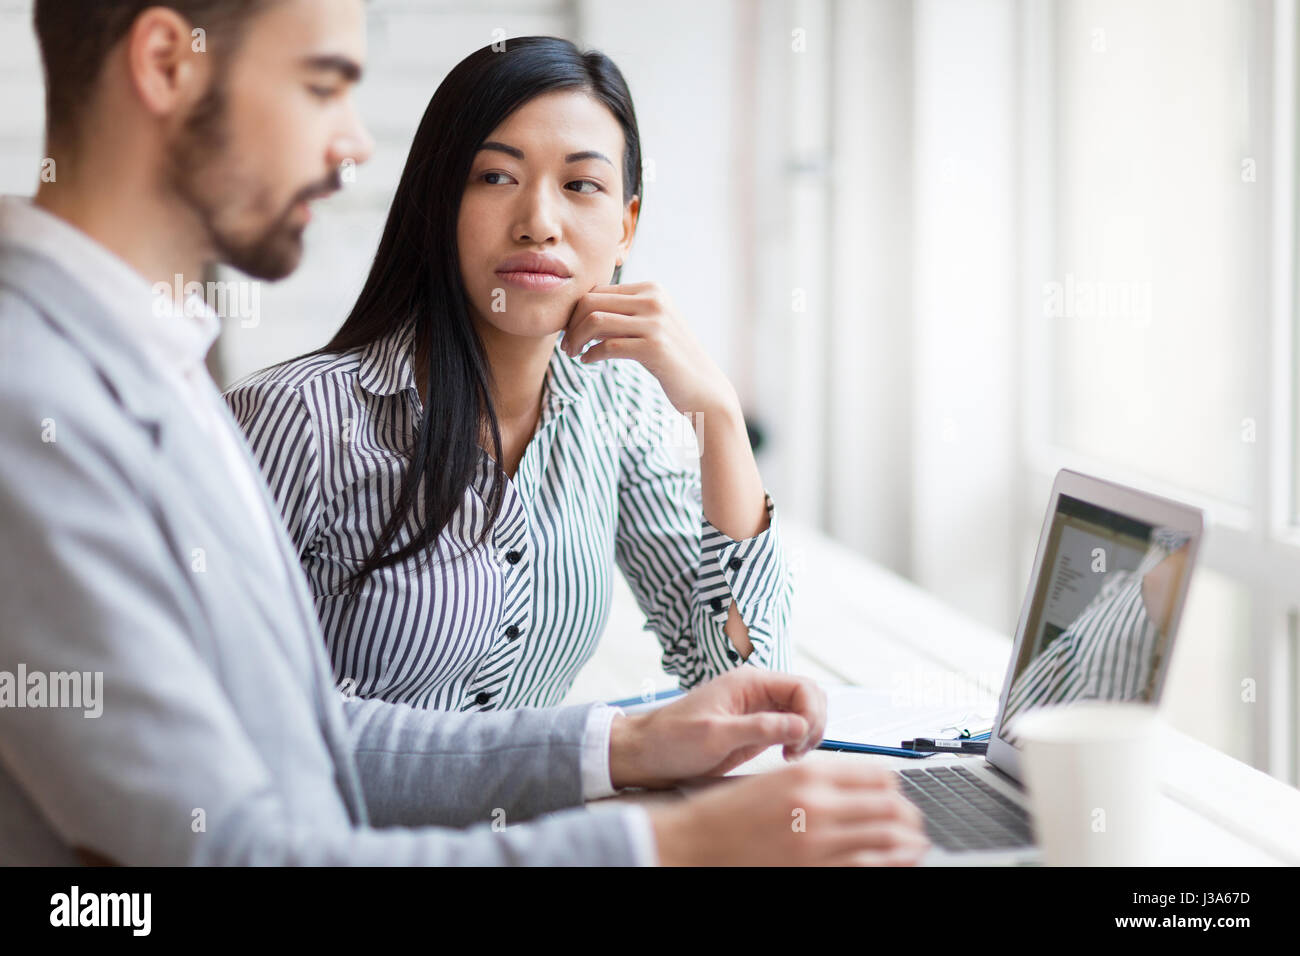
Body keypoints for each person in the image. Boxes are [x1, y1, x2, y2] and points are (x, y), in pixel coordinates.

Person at [0, 0, 927, 866]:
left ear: (626, 222)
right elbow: (241, 849)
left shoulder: (159, 371)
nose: (355, 141)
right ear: (168, 63)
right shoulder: (40, 409)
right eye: (322, 84)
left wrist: (622, 743)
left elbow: (308, 734)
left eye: (582, 186)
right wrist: (666, 845)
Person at [224, 37, 792, 714]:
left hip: (549, 818)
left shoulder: (615, 407)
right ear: (438, 204)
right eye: (496, 177)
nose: (539, 224)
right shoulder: (296, 418)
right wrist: (605, 754)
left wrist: (720, 416)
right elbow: (229, 721)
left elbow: (741, 686)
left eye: (582, 185)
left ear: (625, 228)